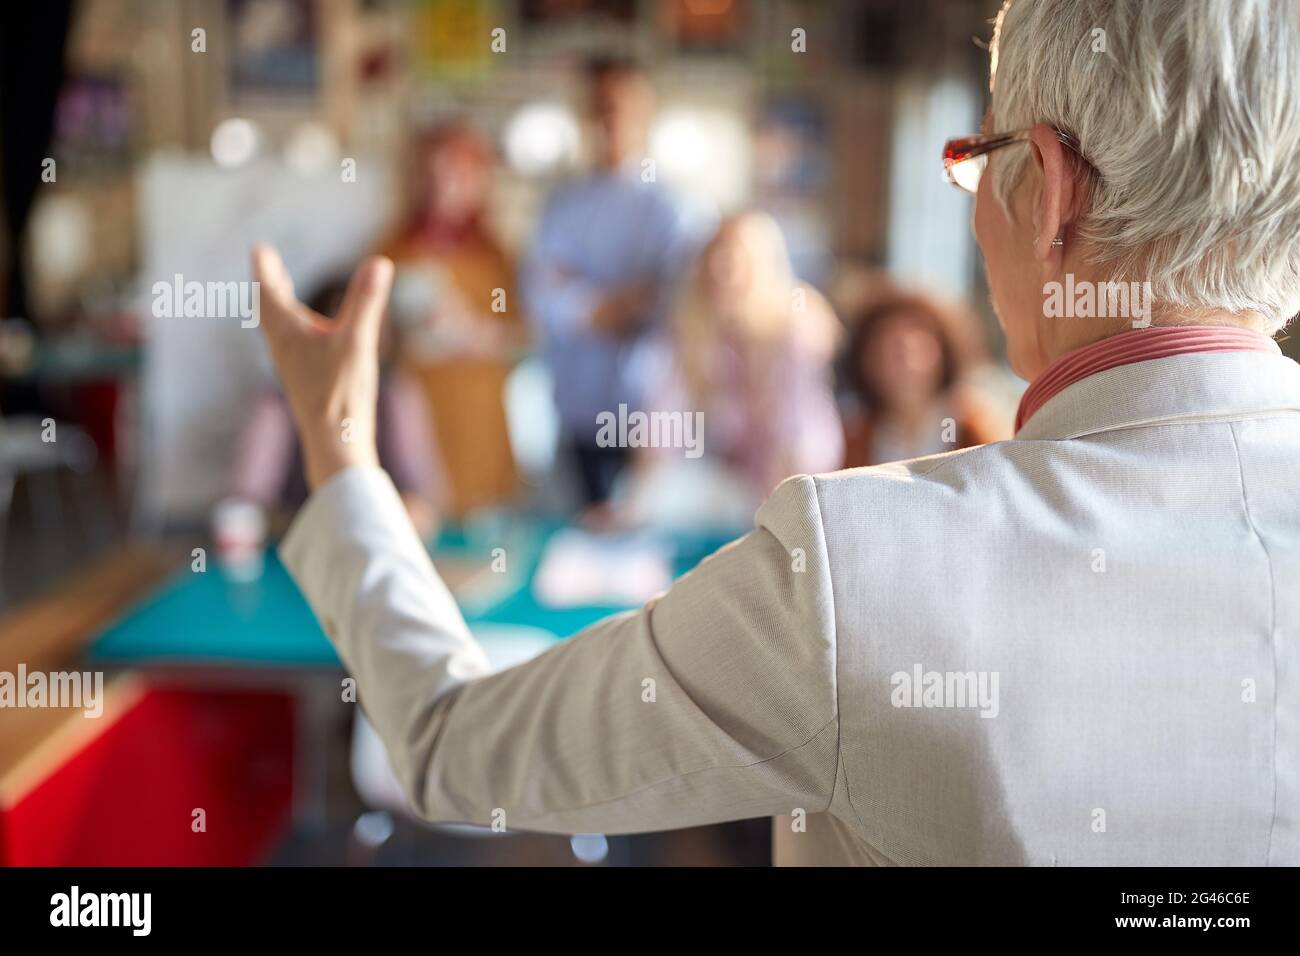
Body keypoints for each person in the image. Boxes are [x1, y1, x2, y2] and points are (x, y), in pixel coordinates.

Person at [252, 0, 1300, 866]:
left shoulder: (867, 569)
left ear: (1050, 189)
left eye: (976, 161)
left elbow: (450, 745)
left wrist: (340, 444)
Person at [521, 56, 704, 504]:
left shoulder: (676, 209)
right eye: (601, 105)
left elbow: (676, 304)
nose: (612, 118)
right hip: (577, 411)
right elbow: (544, 297)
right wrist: (622, 301)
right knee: (581, 548)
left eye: (623, 105)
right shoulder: (561, 206)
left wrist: (585, 296)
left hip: (653, 417)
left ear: (646, 111)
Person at [629, 212, 841, 522]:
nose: (720, 267)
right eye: (713, 254)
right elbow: (663, 422)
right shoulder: (692, 332)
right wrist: (639, 500)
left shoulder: (794, 328)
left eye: (734, 255)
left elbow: (799, 434)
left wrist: (779, 516)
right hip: (737, 495)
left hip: (797, 495)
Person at [378, 121, 522, 518]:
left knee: (482, 528)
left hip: (478, 411)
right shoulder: (390, 250)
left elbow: (522, 336)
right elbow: (370, 338)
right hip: (414, 410)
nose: (443, 185)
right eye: (433, 173)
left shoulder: (496, 256)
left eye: (457, 173)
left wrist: (474, 331)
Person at [230, 276, 442, 539]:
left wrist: (415, 511)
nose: (356, 344)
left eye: (373, 331)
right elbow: (248, 505)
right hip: (297, 552)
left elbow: (425, 495)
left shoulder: (397, 396)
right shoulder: (277, 404)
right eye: (342, 329)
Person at [840, 286, 1006, 466]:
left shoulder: (972, 427)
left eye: (913, 350)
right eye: (886, 352)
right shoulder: (858, 437)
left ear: (943, 353)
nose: (903, 367)